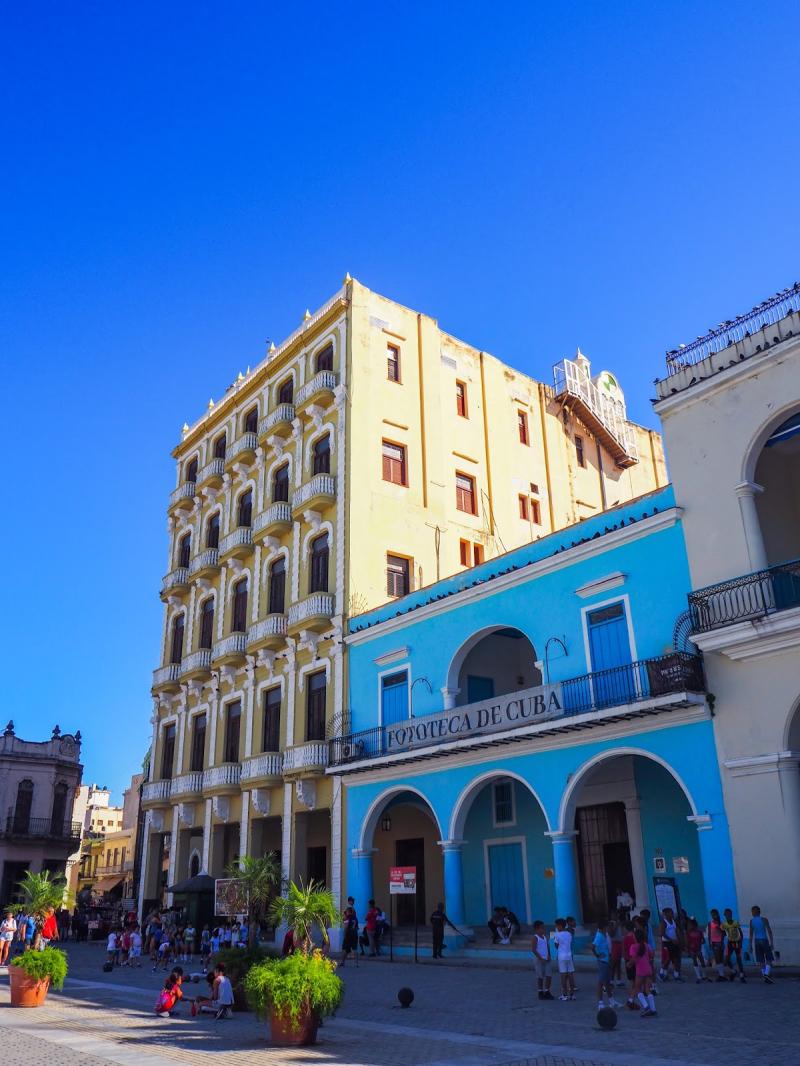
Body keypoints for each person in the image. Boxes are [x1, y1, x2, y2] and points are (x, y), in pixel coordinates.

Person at [591, 919, 620, 1011]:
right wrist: (597, 955)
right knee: (601, 982)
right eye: (607, 926)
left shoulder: (604, 935)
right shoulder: (599, 936)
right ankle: (600, 1003)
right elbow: (593, 947)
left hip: (606, 960)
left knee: (607, 983)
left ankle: (611, 1001)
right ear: (604, 927)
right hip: (602, 961)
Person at [630, 927, 656, 1017]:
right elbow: (652, 954)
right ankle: (653, 1008)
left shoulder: (633, 947)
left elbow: (633, 959)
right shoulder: (646, 945)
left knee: (637, 989)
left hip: (640, 970)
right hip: (648, 969)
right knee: (647, 989)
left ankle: (646, 1007)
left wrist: (629, 964)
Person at [749, 905, 775, 985]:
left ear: (753, 913)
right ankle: (766, 974)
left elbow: (751, 934)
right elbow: (769, 931)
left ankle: (764, 976)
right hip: (764, 940)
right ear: (759, 912)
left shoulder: (751, 921)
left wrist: (750, 945)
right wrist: (771, 942)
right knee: (769, 958)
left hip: (756, 941)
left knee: (761, 960)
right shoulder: (764, 920)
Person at [657, 907, 683, 981]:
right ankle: (661, 973)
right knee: (667, 959)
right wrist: (671, 940)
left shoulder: (674, 921)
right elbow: (662, 933)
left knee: (676, 959)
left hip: (674, 942)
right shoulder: (664, 922)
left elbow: (677, 931)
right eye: (671, 912)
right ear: (666, 914)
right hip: (667, 943)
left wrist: (679, 940)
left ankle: (676, 975)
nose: (672, 914)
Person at [553, 918, 575, 1001]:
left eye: (556, 926)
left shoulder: (557, 935)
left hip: (561, 957)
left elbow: (556, 945)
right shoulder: (569, 934)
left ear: (559, 926)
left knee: (563, 976)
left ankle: (564, 994)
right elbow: (570, 943)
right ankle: (572, 994)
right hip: (569, 956)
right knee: (570, 975)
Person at [531, 920, 554, 1000]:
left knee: (549, 975)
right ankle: (540, 992)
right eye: (542, 927)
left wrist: (549, 956)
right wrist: (540, 958)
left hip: (547, 959)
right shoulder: (535, 938)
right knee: (540, 976)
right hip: (539, 960)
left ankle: (547, 991)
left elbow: (547, 947)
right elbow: (533, 949)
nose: (543, 929)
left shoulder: (545, 937)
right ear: (537, 929)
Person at [722, 909, 745, 982]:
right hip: (730, 942)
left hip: (737, 942)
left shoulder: (735, 923)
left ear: (731, 914)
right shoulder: (724, 924)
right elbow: (723, 934)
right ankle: (733, 971)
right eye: (727, 914)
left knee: (739, 958)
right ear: (725, 915)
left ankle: (741, 975)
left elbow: (740, 933)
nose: (728, 915)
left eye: (729, 914)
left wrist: (741, 942)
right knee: (726, 959)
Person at [707, 909, 727, 982]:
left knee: (720, 959)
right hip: (714, 942)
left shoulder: (721, 923)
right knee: (717, 959)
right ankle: (721, 975)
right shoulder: (710, 923)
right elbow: (709, 934)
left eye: (714, 914)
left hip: (720, 942)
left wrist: (720, 929)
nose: (713, 916)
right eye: (712, 914)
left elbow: (724, 934)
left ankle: (722, 975)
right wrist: (709, 943)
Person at [685, 918, 706, 983]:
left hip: (698, 948)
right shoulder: (688, 933)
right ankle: (698, 976)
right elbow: (687, 942)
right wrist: (688, 949)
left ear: (694, 925)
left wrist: (701, 942)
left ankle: (704, 975)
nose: (689, 926)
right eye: (689, 925)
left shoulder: (699, 932)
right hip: (692, 949)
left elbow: (703, 940)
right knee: (695, 961)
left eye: (690, 925)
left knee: (702, 960)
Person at [609, 910, 625, 987]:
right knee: (613, 963)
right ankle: (611, 980)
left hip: (619, 943)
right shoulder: (611, 923)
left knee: (618, 963)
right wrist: (616, 925)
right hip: (614, 943)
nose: (615, 916)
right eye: (614, 914)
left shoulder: (619, 923)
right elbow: (611, 934)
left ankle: (619, 980)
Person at [341, 898, 359, 965]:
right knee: (354, 948)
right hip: (354, 933)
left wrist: (344, 934)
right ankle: (356, 963)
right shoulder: (355, 918)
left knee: (344, 948)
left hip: (348, 934)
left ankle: (342, 962)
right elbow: (356, 926)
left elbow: (346, 926)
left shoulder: (347, 918)